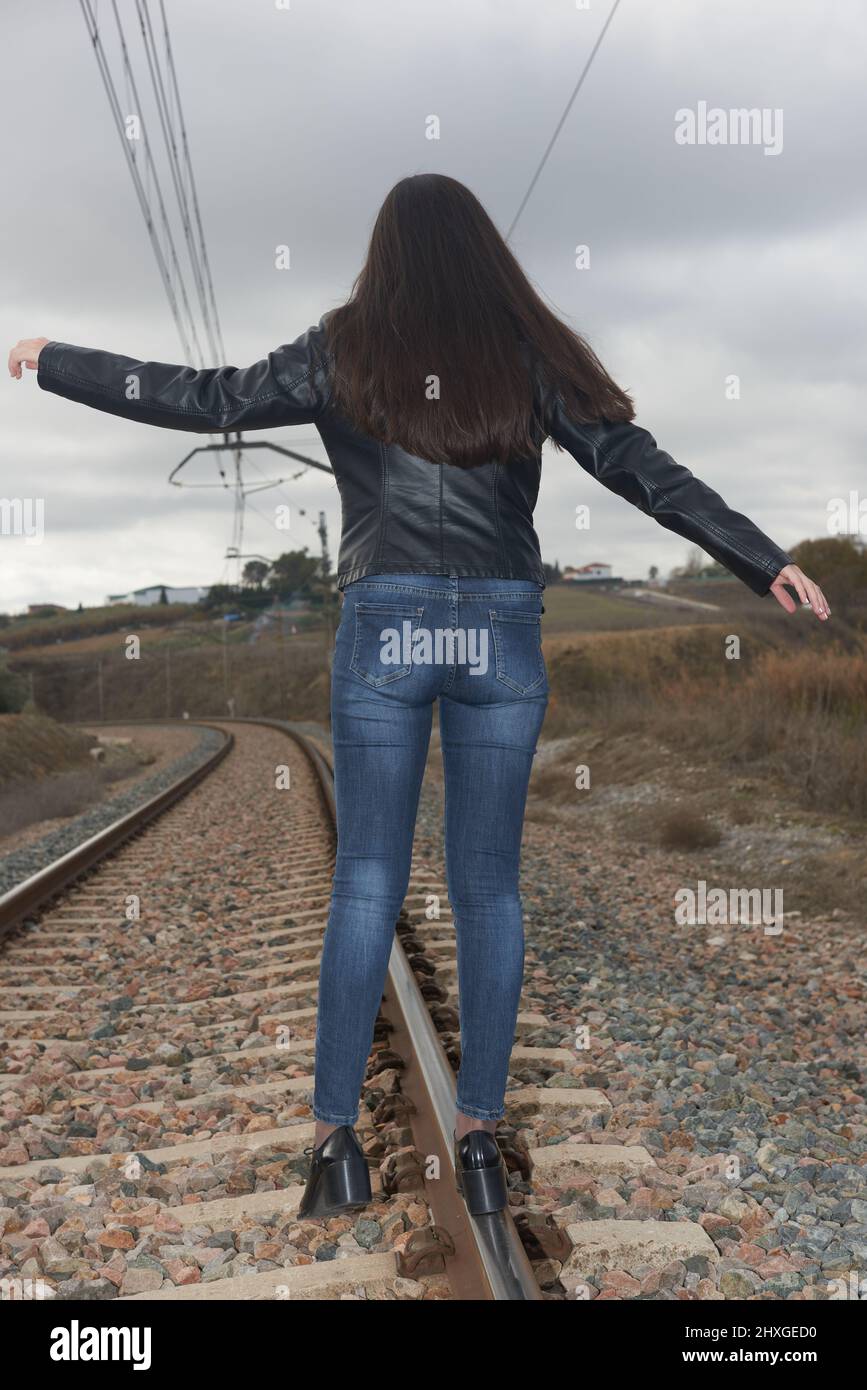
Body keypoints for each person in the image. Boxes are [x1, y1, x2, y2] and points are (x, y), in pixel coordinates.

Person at [9, 173, 829, 1219]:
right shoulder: (529, 349)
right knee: (490, 886)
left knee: (366, 882)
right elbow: (639, 467)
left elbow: (203, 398)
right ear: (483, 251)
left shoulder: (343, 343)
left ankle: (334, 1146)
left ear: (385, 252)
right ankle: (481, 1139)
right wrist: (761, 560)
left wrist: (60, 362)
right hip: (500, 630)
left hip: (387, 621)